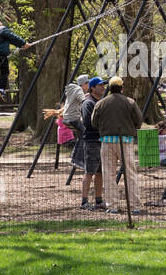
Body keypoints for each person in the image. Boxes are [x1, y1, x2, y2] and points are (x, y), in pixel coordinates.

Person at [91, 75, 144, 214]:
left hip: (107, 142)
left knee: (108, 174)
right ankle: (134, 206)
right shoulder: (130, 102)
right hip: (125, 142)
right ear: (122, 88)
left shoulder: (100, 103)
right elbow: (139, 121)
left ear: (109, 88)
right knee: (130, 174)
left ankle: (112, 206)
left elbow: (94, 123)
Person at [0, 16, 32, 99]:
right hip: (0, 54)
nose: (0, 21)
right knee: (5, 72)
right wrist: (24, 43)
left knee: (4, 72)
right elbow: (13, 36)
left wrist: (21, 46)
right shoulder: (2, 28)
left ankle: (1, 89)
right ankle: (1, 89)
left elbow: (10, 40)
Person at [79, 77, 106, 210]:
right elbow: (89, 123)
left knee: (100, 172)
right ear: (92, 87)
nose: (103, 87)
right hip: (92, 140)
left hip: (102, 140)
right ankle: (84, 201)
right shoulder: (88, 103)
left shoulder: (100, 101)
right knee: (90, 171)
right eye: (100, 85)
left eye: (103, 85)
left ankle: (98, 200)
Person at [61, 74, 90, 171]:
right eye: (88, 84)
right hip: (73, 118)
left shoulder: (72, 90)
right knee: (86, 134)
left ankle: (75, 157)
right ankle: (77, 159)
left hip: (66, 118)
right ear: (84, 84)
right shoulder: (78, 90)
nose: (88, 86)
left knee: (81, 135)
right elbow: (84, 102)